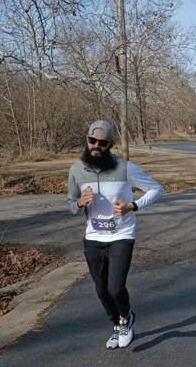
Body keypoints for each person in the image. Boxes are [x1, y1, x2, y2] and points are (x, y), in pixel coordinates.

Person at [67, 121, 164, 349]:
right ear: (87, 139)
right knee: (101, 290)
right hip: (93, 238)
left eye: (102, 143)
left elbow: (157, 188)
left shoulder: (125, 167)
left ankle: (126, 317)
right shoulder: (76, 170)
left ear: (110, 144)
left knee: (115, 288)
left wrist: (133, 205)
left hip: (121, 234)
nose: (96, 146)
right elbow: (71, 204)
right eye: (92, 141)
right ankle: (117, 324)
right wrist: (80, 202)